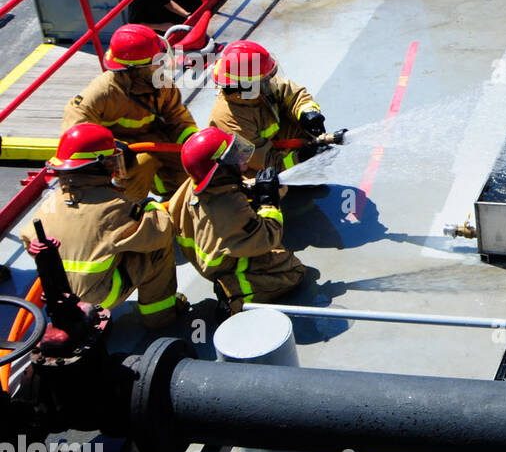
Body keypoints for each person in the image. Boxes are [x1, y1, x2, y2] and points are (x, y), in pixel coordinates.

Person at [20, 124, 185, 329]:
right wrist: (151, 207)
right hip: (99, 297)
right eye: (111, 161)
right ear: (100, 165)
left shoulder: (50, 202)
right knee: (157, 250)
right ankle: (160, 317)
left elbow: (28, 239)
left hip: (60, 296)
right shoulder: (114, 207)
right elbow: (160, 232)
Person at [169, 127, 306, 313]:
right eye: (233, 156)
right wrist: (269, 202)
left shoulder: (195, 184)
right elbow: (267, 236)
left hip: (208, 249)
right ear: (218, 169)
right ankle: (235, 293)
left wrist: (254, 189)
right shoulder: (229, 208)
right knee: (294, 270)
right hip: (224, 263)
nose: (241, 158)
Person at [63, 23, 197, 202]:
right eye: (157, 63)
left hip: (153, 141)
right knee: (143, 163)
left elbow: (178, 119)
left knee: (189, 164)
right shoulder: (102, 94)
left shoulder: (160, 84)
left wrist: (194, 143)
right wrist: (114, 149)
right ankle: (126, 213)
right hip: (120, 158)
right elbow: (75, 132)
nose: (162, 67)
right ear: (135, 69)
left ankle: (175, 202)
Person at [207, 41, 330, 176]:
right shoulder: (230, 122)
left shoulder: (255, 88)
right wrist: (300, 160)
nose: (270, 81)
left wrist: (307, 112)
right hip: (253, 165)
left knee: (305, 132)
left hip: (271, 142)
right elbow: (265, 161)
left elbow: (289, 93)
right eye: (265, 80)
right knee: (276, 184)